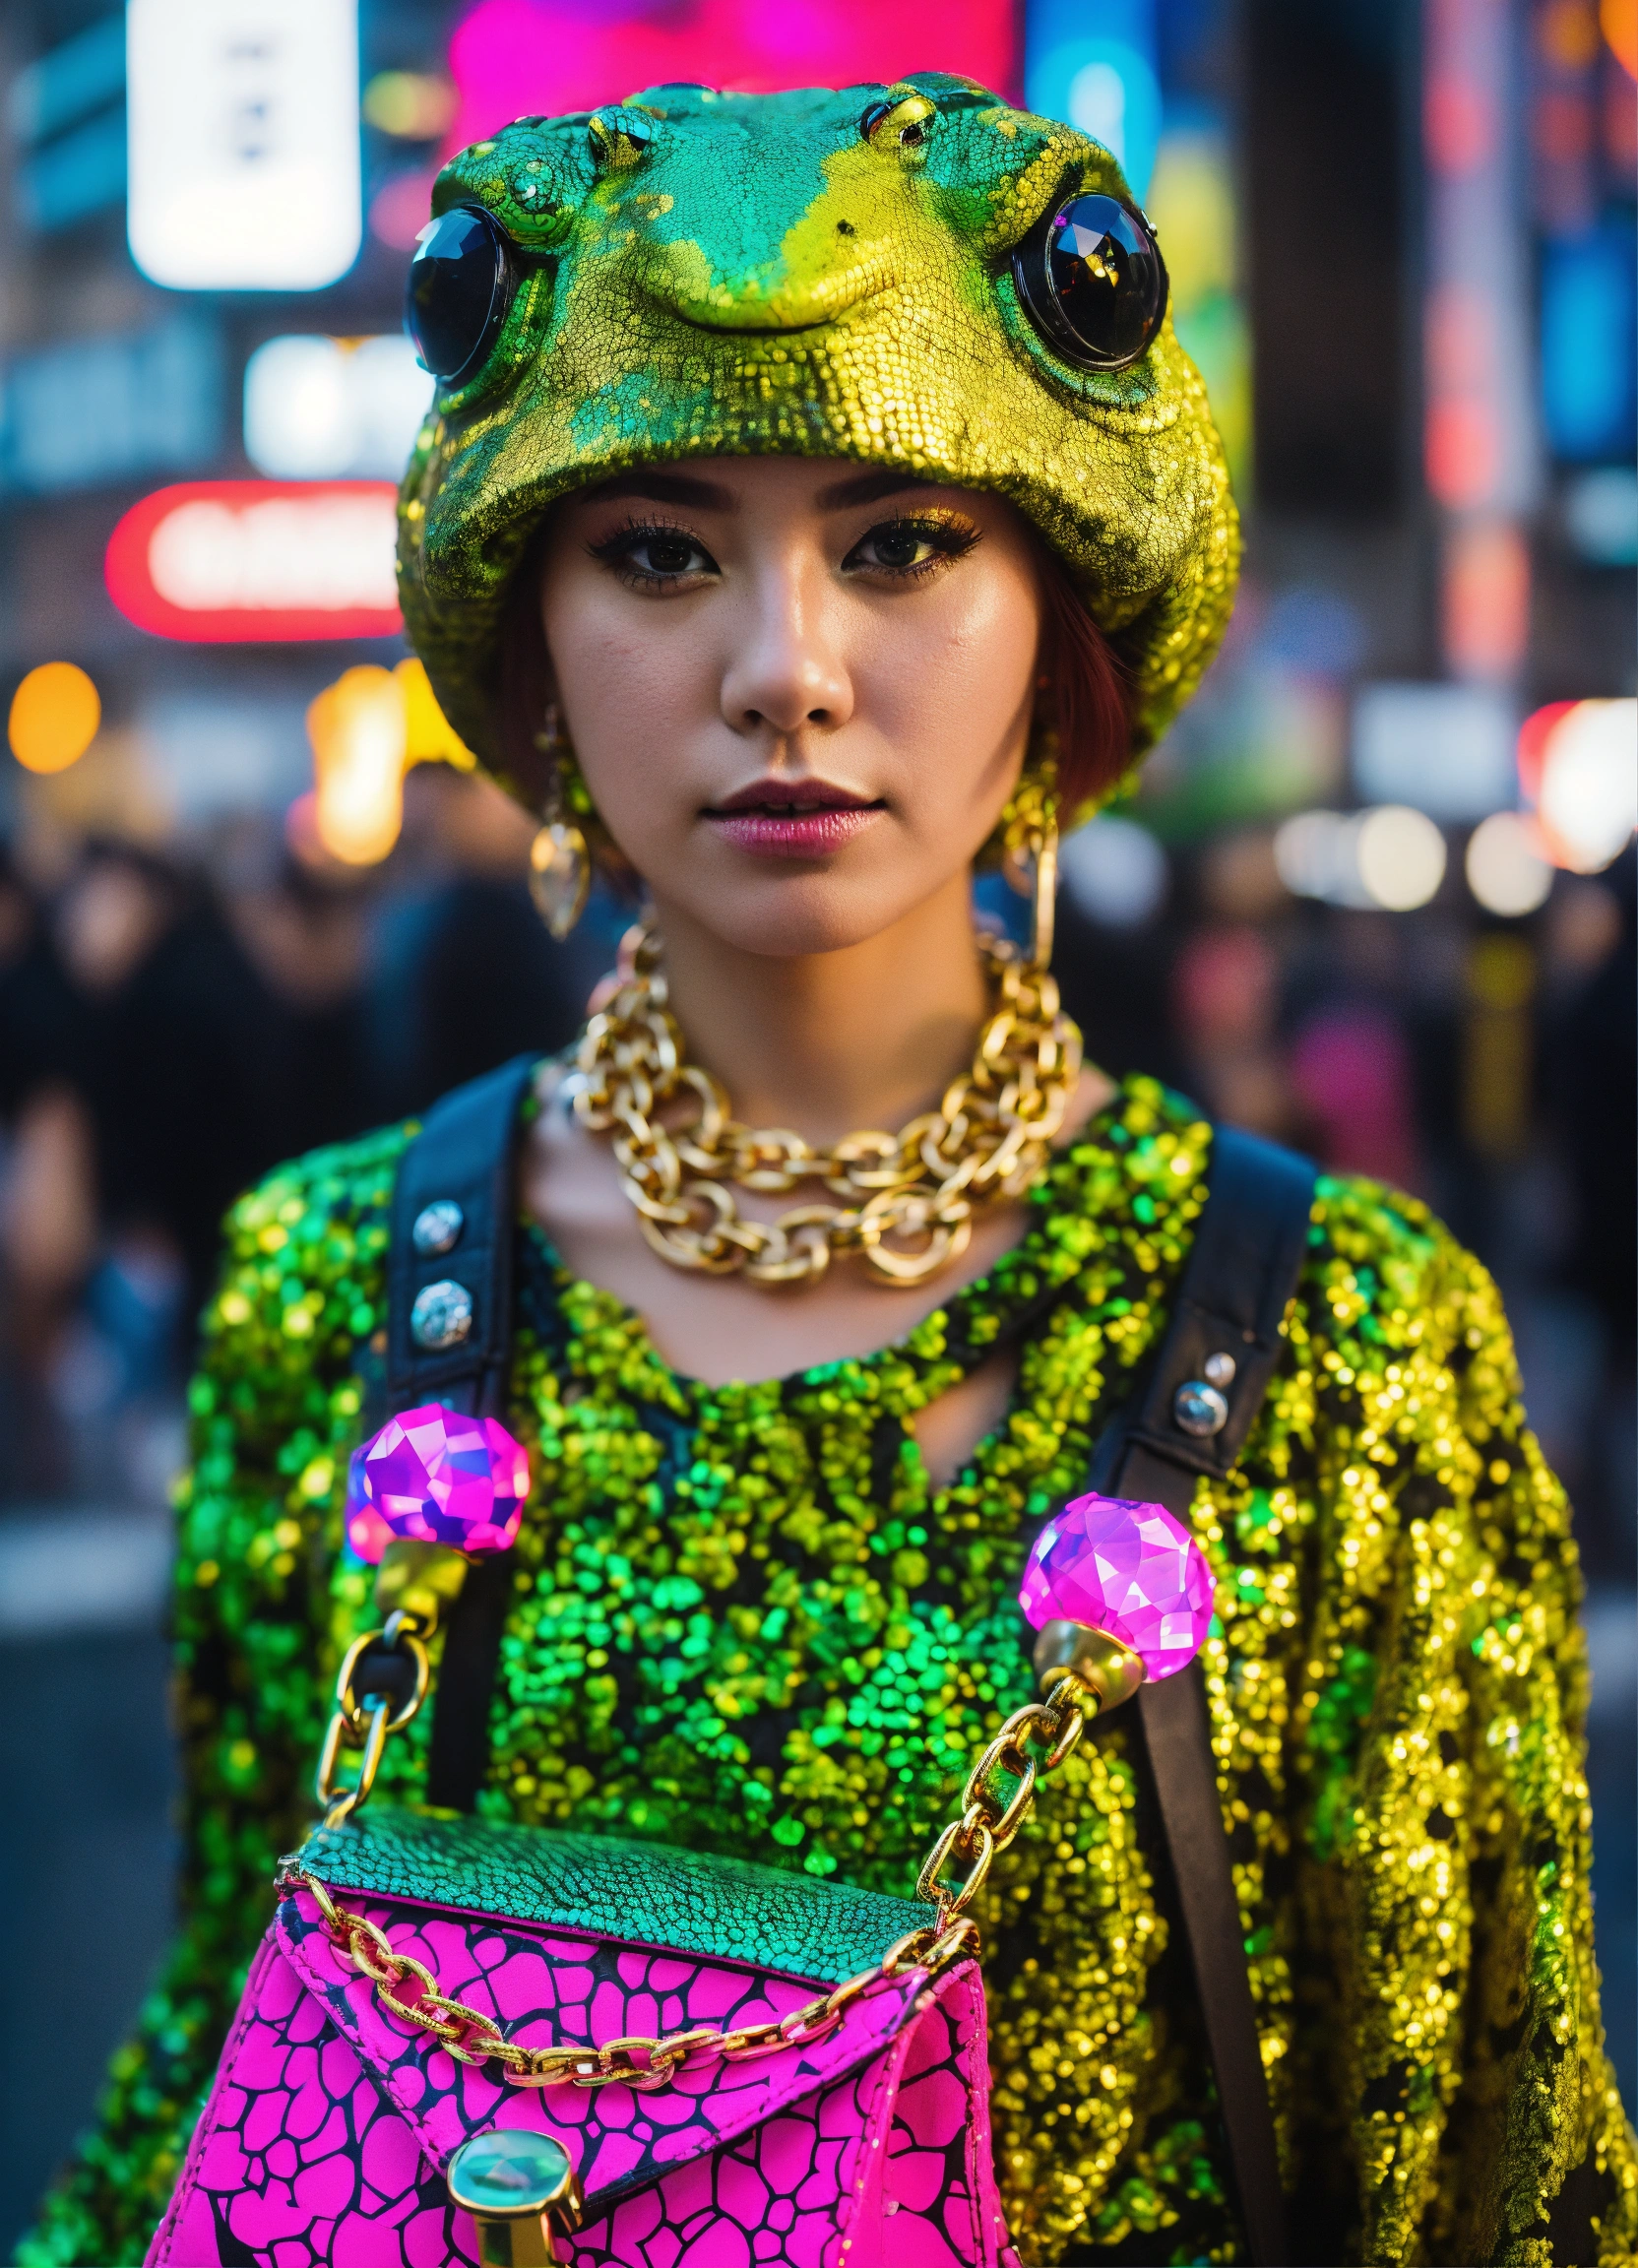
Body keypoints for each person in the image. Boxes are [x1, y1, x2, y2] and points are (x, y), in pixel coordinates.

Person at [21, 76, 1634, 2266]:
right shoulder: (330, 1284)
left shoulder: (1350, 1339)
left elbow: (1480, 2185)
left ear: (1059, 617)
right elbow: (231, 2045)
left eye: (899, 543)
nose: (785, 669)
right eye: (663, 551)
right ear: (529, 643)